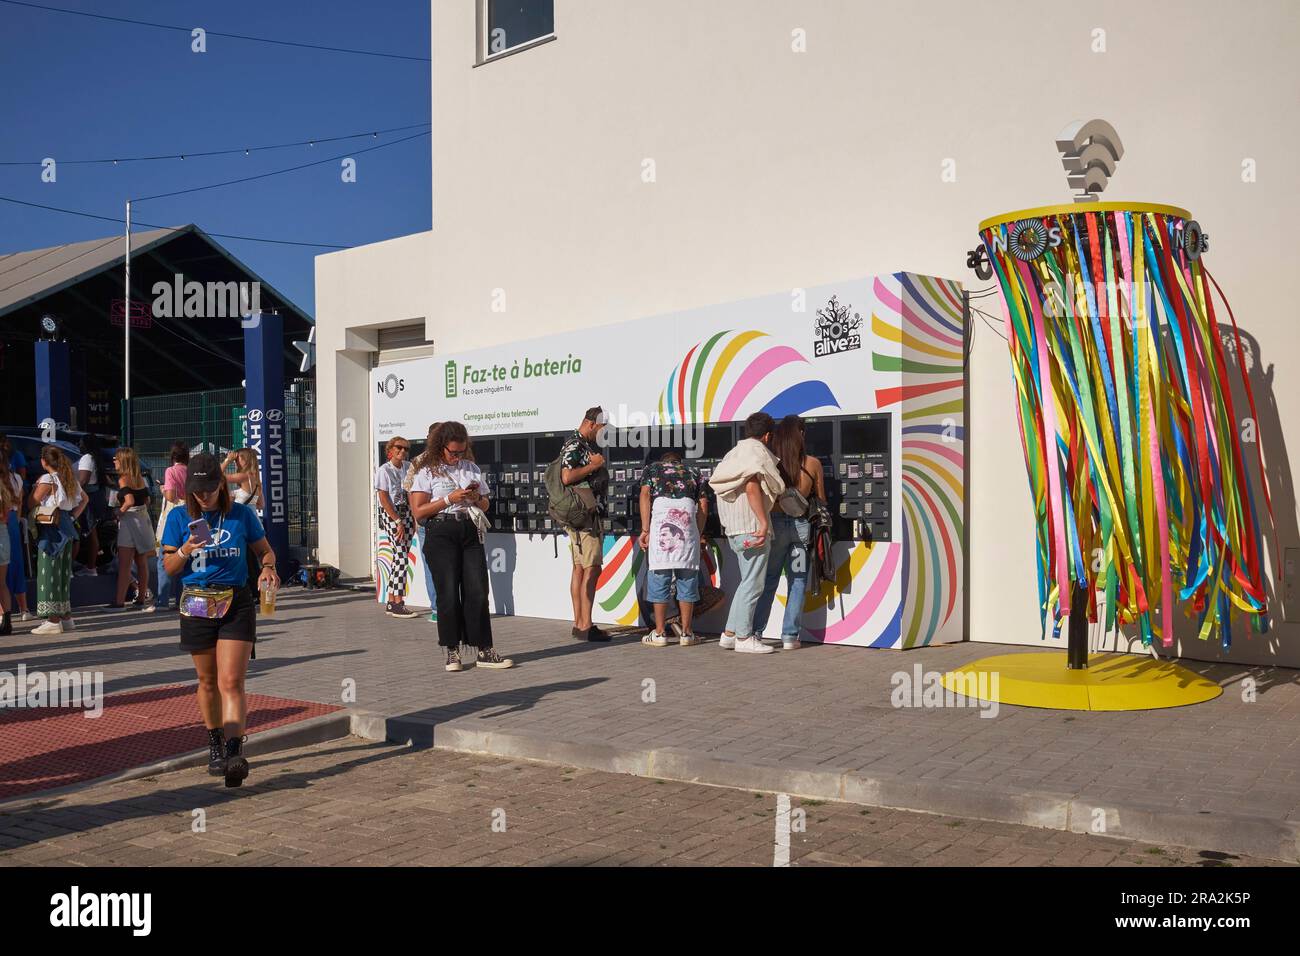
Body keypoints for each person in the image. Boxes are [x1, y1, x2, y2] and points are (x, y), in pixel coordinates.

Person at [160, 453, 278, 787]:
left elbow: (265, 552)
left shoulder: (241, 515)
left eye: (209, 489)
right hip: (196, 603)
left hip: (236, 602)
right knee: (208, 681)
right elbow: (168, 570)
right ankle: (214, 746)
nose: (204, 496)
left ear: (220, 484)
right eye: (197, 490)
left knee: (231, 681)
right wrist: (184, 550)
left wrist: (268, 569)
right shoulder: (178, 517)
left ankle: (234, 751)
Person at [408, 422, 513, 673]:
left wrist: (477, 498)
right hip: (440, 532)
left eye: (461, 452)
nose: (457, 457)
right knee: (448, 593)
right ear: (440, 447)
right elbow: (419, 511)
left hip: (469, 528)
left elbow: (486, 504)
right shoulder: (426, 472)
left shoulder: (471, 469)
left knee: (477, 590)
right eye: (453, 452)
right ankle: (452, 650)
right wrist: (448, 499)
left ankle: (484, 649)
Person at [708, 412, 784, 654]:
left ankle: (730, 634)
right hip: (752, 527)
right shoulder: (756, 454)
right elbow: (752, 486)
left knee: (746, 583)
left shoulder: (733, 454)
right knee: (753, 585)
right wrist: (763, 522)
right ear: (768, 435)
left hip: (735, 529)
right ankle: (744, 637)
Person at [752, 415, 827, 650]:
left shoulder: (771, 462)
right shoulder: (812, 463)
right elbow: (822, 500)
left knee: (770, 580)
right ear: (801, 435)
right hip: (801, 528)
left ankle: (756, 632)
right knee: (797, 581)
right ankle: (789, 637)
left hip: (775, 525)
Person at [638, 450, 709, 647]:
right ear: (679, 462)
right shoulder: (694, 472)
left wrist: (645, 529)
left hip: (661, 525)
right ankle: (687, 633)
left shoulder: (652, 469)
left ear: (663, 462)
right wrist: (698, 531)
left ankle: (660, 633)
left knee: (659, 578)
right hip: (687, 529)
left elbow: (644, 495)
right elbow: (703, 504)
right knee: (687, 579)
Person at [560, 406, 610, 642]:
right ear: (591, 424)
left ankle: (579, 624)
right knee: (591, 568)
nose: (601, 434)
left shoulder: (579, 444)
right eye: (600, 429)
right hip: (586, 518)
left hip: (581, 518)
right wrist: (595, 465)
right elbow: (567, 477)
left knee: (580, 568)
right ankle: (585, 624)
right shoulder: (576, 445)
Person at [29, 446, 86, 635]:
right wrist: (72, 517)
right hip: (67, 528)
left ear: (45, 462)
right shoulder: (68, 477)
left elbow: (32, 502)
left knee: (48, 572)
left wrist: (35, 487)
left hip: (52, 529)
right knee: (62, 574)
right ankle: (66, 617)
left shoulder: (47, 479)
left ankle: (52, 619)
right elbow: (84, 499)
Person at [374, 435, 419, 619]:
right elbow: (383, 498)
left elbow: (410, 493)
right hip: (391, 512)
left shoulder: (409, 468)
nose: (402, 451)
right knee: (401, 557)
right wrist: (397, 521)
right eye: (399, 447)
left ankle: (392, 601)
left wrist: (414, 517)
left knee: (401, 557)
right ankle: (398, 602)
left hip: (406, 511)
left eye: (406, 448)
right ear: (390, 450)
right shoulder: (384, 470)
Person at [108, 447, 156, 610]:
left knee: (124, 564)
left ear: (123, 461)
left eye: (116, 458)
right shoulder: (140, 478)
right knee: (141, 562)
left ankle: (119, 601)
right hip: (143, 521)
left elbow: (128, 500)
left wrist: (117, 513)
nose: (114, 461)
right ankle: (141, 598)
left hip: (129, 523)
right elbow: (147, 500)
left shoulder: (123, 479)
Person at [404, 423, 441, 623]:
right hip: (427, 522)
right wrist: (418, 518)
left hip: (447, 522)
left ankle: (447, 607)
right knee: (431, 566)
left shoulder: (456, 460)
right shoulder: (418, 462)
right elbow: (410, 492)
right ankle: (437, 608)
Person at [148, 441, 189, 613]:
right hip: (190, 514)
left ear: (172, 457)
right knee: (185, 556)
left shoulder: (170, 471)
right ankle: (182, 599)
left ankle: (162, 600)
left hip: (173, 516)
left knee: (164, 557)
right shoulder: (190, 471)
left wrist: (163, 488)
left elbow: (171, 496)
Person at [0, 451, 28, 625]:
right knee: (15, 564)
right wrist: (16, 518)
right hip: (10, 522)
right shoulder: (16, 478)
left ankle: (3, 612)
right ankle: (23, 608)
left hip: (6, 521)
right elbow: (20, 503)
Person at [75, 435, 106, 575]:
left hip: (87, 500)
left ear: (86, 445)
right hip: (96, 498)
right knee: (90, 533)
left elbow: (82, 481)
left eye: (81, 443)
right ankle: (90, 566)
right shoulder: (94, 457)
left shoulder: (87, 458)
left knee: (81, 534)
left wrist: (72, 495)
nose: (79, 446)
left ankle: (90, 567)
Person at [0, 456, 17, 635]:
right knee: (1, 582)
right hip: (3, 533)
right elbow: (6, 516)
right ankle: (7, 621)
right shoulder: (5, 487)